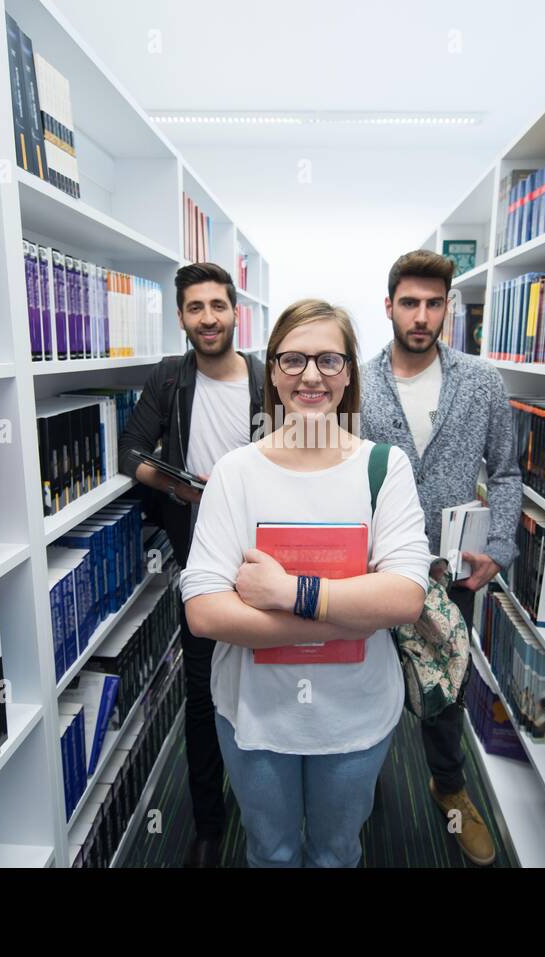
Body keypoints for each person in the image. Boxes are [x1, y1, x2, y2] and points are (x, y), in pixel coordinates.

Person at [179, 299, 431, 868]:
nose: (311, 376)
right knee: (270, 851)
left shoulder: (383, 468)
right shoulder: (236, 471)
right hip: (255, 713)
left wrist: (287, 593)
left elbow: (405, 598)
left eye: (328, 360)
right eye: (292, 360)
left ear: (349, 373)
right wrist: (349, 610)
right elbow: (205, 613)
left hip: (356, 714)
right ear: (272, 370)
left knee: (336, 853)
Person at [360, 249, 523, 867]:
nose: (421, 316)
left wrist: (500, 548)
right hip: (372, 569)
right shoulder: (357, 377)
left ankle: (450, 789)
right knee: (365, 681)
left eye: (434, 304)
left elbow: (505, 474)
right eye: (410, 303)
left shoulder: (482, 381)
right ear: (389, 307)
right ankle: (361, 789)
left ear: (448, 307)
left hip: (448, 570)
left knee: (444, 694)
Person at [118, 262, 265, 867]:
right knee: (201, 694)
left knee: (270, 678)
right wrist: (177, 488)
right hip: (197, 561)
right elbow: (130, 453)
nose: (208, 318)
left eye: (218, 306)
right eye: (195, 308)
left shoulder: (266, 377)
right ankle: (209, 821)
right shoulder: (169, 380)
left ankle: (275, 808)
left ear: (236, 313)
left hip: (263, 558)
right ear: (181, 317)